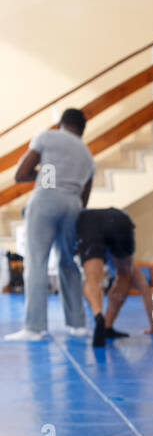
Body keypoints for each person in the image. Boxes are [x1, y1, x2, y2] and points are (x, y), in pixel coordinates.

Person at [6, 108, 94, 342]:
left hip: (45, 200)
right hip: (73, 205)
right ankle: (77, 325)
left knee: (36, 262)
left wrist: (49, 176)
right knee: (68, 262)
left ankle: (35, 328)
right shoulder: (87, 155)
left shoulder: (47, 136)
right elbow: (84, 198)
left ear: (61, 124)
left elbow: (21, 173)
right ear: (82, 130)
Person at [75, 207, 153, 347]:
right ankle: (107, 325)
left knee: (92, 278)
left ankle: (99, 316)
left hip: (87, 221)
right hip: (118, 220)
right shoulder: (124, 262)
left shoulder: (100, 248)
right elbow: (144, 289)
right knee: (124, 275)